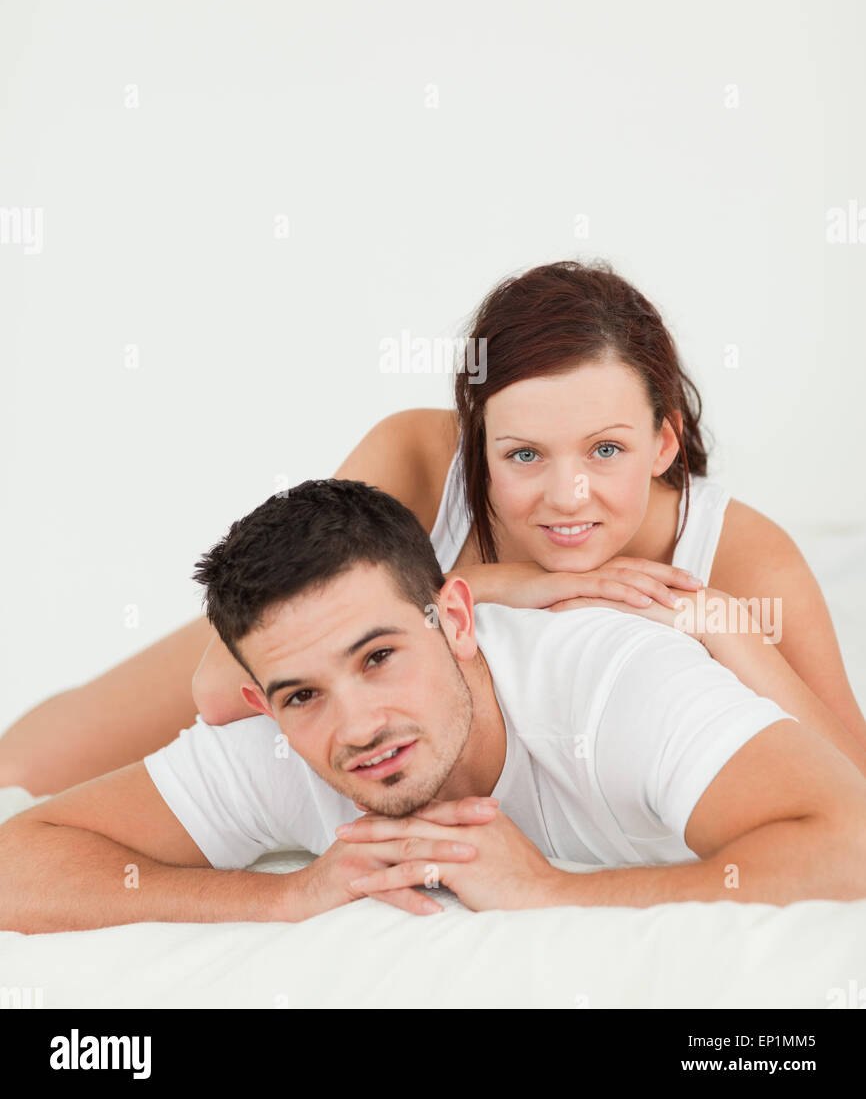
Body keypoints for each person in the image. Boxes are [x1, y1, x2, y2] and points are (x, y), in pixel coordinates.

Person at [2, 259, 865, 795]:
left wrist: (721, 630)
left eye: (606, 449)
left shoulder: (744, 555)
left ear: (664, 439)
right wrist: (506, 584)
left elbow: (852, 786)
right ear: (478, 443)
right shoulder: (418, 457)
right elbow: (218, 690)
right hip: (307, 655)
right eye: (524, 456)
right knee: (32, 768)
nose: (568, 498)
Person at [3, 478, 866, 933]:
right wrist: (277, 899)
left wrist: (555, 896)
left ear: (455, 618)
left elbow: (846, 842)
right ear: (262, 701)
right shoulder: (284, 739)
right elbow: (18, 862)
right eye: (301, 695)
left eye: (379, 657)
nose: (357, 727)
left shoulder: (611, 682)